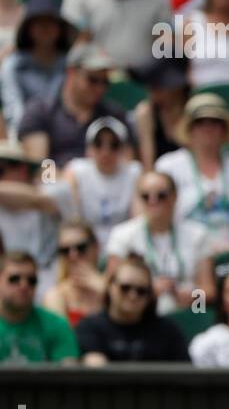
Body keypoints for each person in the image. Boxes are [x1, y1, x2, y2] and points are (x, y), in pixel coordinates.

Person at [155, 93, 229, 254]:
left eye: (215, 122)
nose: (208, 128)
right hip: (185, 253)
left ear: (224, 129)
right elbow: (156, 211)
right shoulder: (168, 166)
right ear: (189, 128)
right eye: (200, 122)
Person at [105, 171, 214, 316]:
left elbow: (209, 291)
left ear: (174, 197)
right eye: (146, 196)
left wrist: (192, 297)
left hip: (189, 311)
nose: (153, 201)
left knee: (200, 316)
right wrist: (147, 291)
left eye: (161, 196)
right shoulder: (122, 234)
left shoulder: (198, 234)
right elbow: (112, 288)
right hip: (142, 315)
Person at [76, 255, 191, 364]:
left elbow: (185, 375)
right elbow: (96, 374)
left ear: (149, 295)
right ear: (111, 286)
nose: (133, 295)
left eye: (141, 291)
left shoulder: (168, 332)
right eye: (125, 288)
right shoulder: (90, 328)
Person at [61, 116, 141, 246]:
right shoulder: (76, 170)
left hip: (124, 245)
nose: (105, 151)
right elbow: (72, 219)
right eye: (98, 144)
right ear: (89, 148)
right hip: (85, 245)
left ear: (123, 149)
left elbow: (138, 220)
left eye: (113, 145)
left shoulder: (134, 172)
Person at [1, 0, 74, 136]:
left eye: (51, 22)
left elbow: (76, 108)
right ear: (29, 29)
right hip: (25, 135)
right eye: (39, 23)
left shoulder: (71, 65)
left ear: (60, 29)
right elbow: (14, 111)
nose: (45, 28)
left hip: (65, 136)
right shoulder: (14, 66)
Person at [0, 250, 79, 362]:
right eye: (14, 279)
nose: (24, 285)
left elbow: (69, 374)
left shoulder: (57, 326)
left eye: (31, 280)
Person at [0, 141, 60, 281]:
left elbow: (42, 199)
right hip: (9, 279)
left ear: (22, 169)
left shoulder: (47, 191)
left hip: (45, 275)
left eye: (0, 170)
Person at [41, 219, 105, 328]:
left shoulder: (116, 288)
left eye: (80, 248)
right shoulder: (56, 296)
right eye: (65, 250)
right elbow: (63, 340)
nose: (73, 256)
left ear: (96, 248)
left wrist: (105, 291)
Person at [130, 57, 189, 171]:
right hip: (160, 180)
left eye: (159, 87)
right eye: (151, 86)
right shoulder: (146, 112)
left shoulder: (193, 108)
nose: (153, 93)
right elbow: (148, 164)